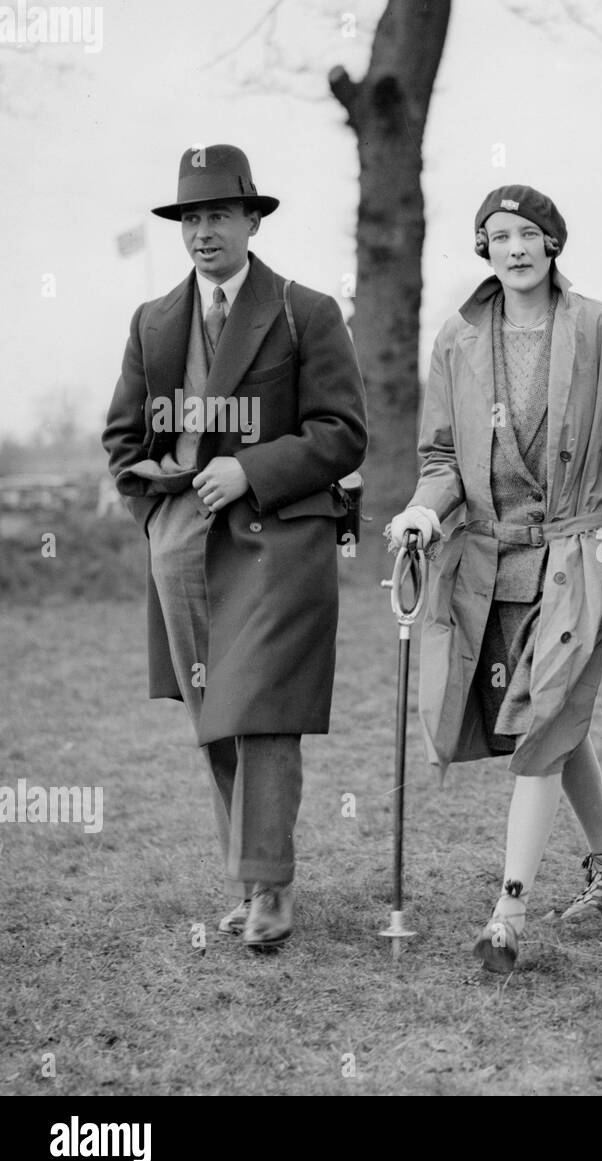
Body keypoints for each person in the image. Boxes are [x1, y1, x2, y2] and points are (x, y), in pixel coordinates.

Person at [103, 144, 367, 949]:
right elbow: (122, 442)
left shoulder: (307, 311)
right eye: (190, 217)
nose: (202, 232)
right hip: (183, 545)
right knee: (212, 714)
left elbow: (344, 433)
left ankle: (273, 890)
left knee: (263, 713)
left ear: (253, 221)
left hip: (277, 542)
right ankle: (252, 880)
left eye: (218, 214)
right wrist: (163, 507)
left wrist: (247, 469)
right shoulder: (153, 321)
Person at [386, 185, 602, 974]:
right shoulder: (458, 340)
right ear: (484, 250)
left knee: (543, 723)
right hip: (493, 562)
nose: (515, 248)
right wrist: (424, 514)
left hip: (582, 551)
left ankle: (508, 912)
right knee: (549, 719)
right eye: (499, 236)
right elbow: (440, 460)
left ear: (554, 243)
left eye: (530, 233)